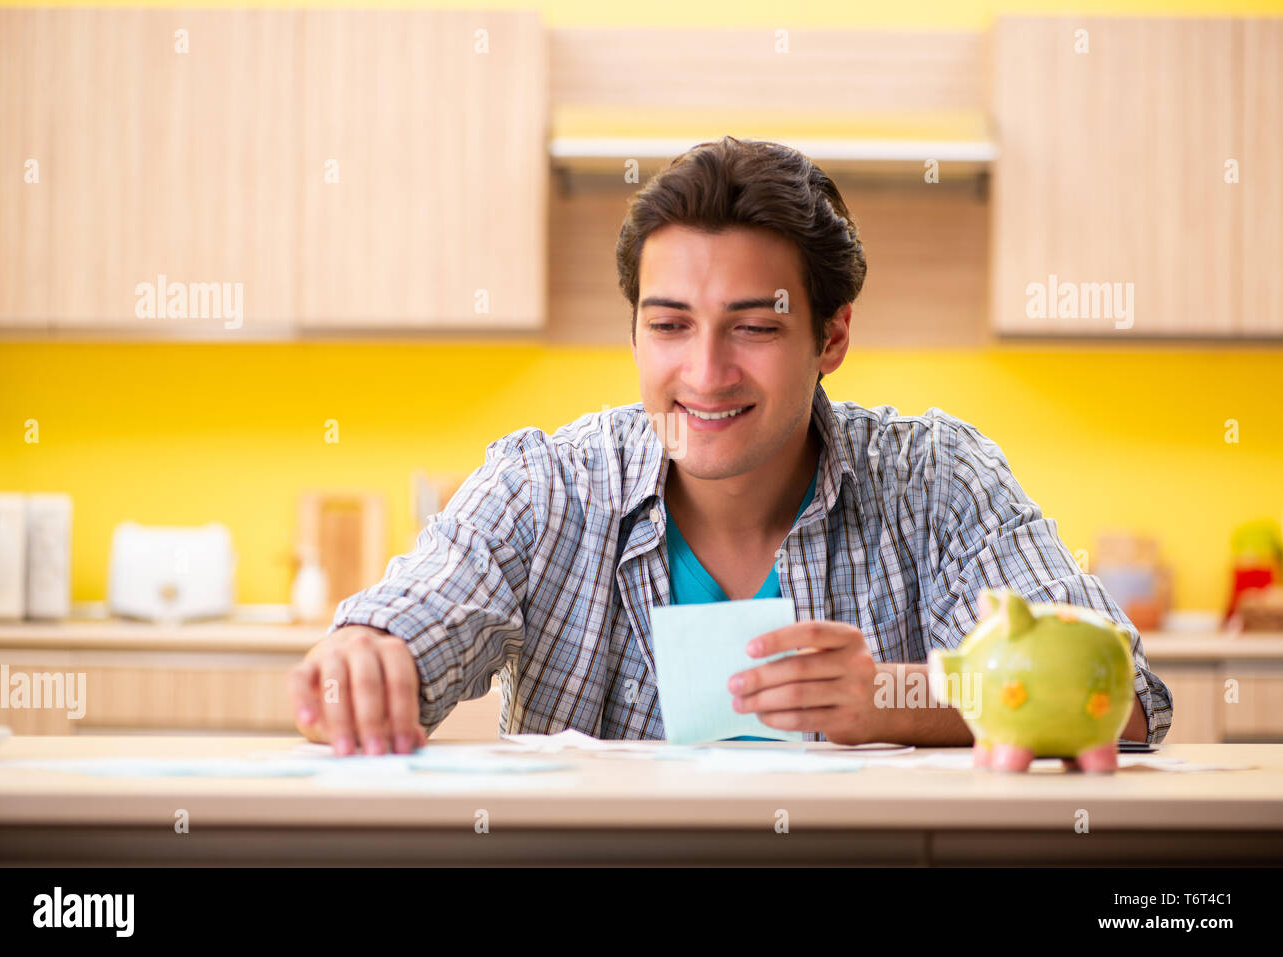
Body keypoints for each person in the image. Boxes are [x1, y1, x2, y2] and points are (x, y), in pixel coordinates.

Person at [287, 136, 1172, 756]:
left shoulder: (936, 480)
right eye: (670, 324)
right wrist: (368, 653)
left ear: (830, 341)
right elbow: (404, 629)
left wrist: (897, 697)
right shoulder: (545, 487)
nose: (705, 373)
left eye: (753, 327)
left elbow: (1123, 702)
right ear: (635, 335)